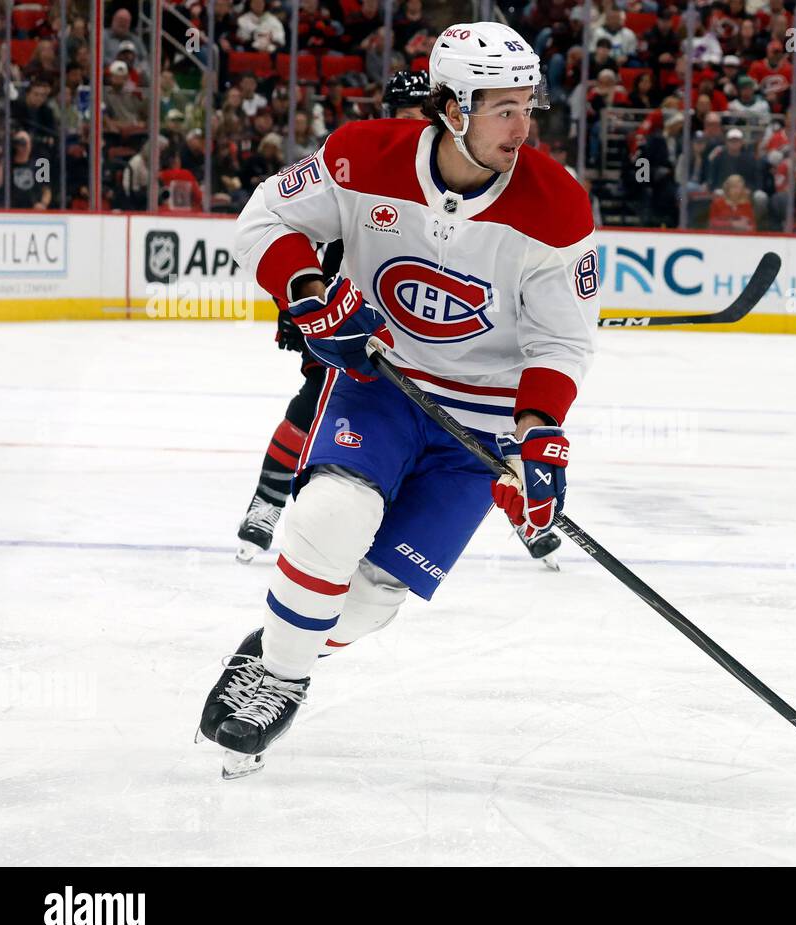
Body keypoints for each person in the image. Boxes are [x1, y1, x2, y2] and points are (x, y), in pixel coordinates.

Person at [199, 22, 598, 776]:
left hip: (479, 420)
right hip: (383, 381)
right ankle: (282, 680)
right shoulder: (363, 154)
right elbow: (264, 216)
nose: (524, 127)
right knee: (328, 517)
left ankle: (277, 646)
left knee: (377, 597)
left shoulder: (558, 207)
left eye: (528, 106)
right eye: (503, 109)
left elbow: (561, 345)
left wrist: (539, 438)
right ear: (452, 108)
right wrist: (310, 296)